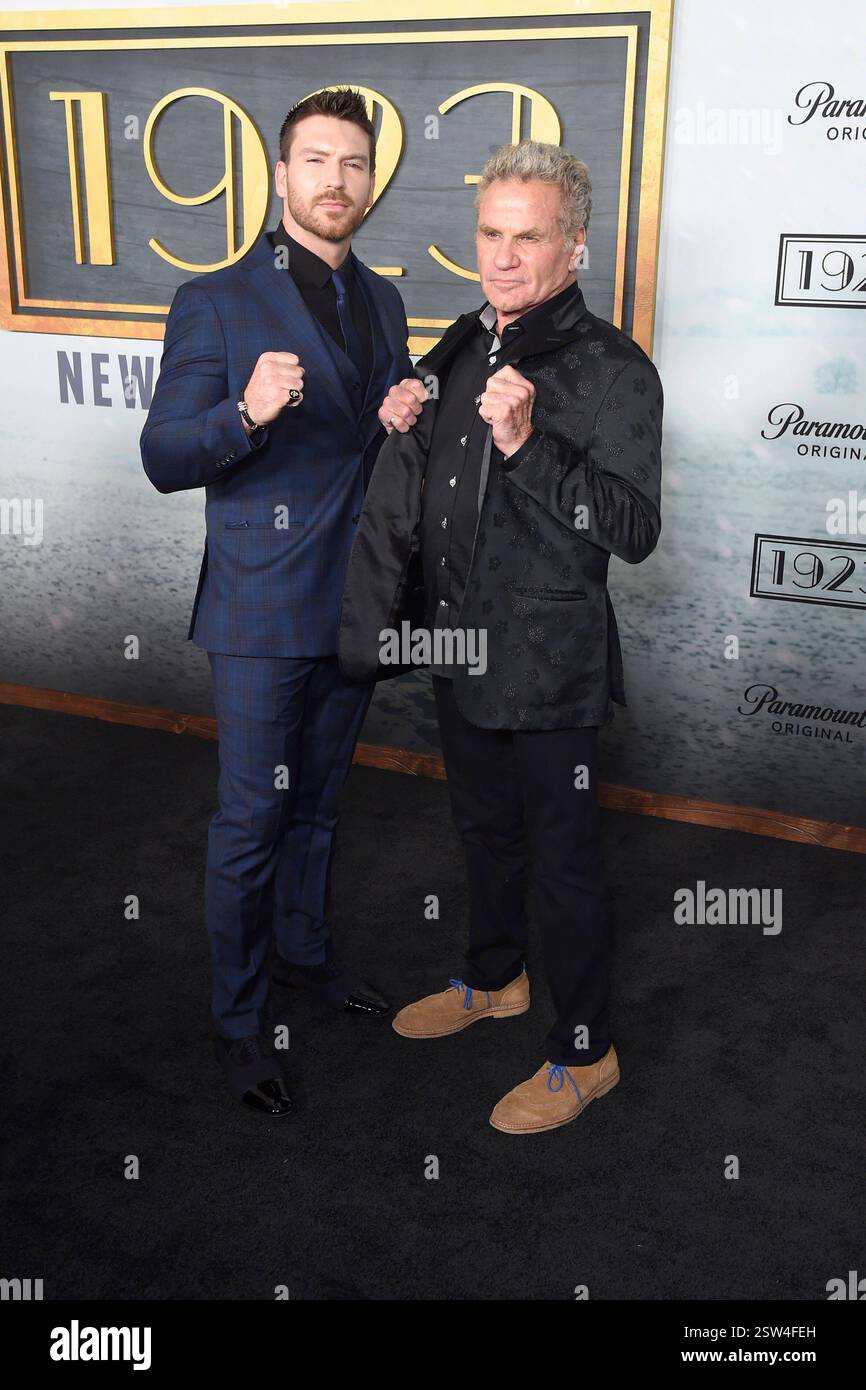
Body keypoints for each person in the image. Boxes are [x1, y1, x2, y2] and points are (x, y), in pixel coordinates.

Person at [339, 140, 663, 1135]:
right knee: (482, 831)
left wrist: (531, 447)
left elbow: (632, 530)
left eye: (527, 238)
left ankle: (585, 1052)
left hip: (549, 665)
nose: (503, 256)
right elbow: (432, 483)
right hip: (454, 645)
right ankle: (494, 978)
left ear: (573, 245)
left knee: (561, 862)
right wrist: (400, 415)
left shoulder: (614, 370)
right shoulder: (460, 341)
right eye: (490, 233)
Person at [141, 88, 414, 1117]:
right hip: (260, 608)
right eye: (315, 161)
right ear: (279, 174)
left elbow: (373, 442)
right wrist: (243, 413)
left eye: (352, 163)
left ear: (368, 179)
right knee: (252, 822)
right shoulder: (212, 298)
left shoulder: (383, 301)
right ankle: (238, 1024)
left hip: (354, 603)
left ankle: (304, 955)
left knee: (319, 808)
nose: (334, 181)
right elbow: (164, 455)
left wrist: (402, 413)